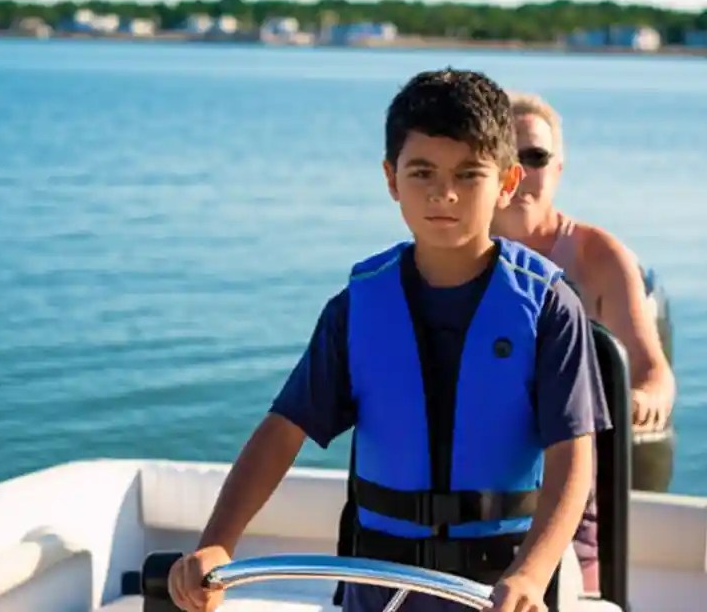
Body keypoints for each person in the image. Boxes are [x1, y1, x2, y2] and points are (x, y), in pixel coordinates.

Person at [168, 69, 610, 612]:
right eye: (422, 171)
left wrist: (532, 572)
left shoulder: (548, 306)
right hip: (377, 585)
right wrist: (218, 540)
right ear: (391, 177)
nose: (443, 193)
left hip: (499, 592)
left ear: (508, 182)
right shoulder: (358, 308)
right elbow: (283, 431)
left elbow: (574, 457)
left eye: (469, 174)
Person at [492, 92, 677, 591]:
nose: (522, 171)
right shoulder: (458, 252)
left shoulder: (597, 256)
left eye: (535, 156)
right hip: (479, 496)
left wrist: (630, 404)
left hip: (570, 496)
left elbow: (652, 372)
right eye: (508, 155)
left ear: (559, 166)